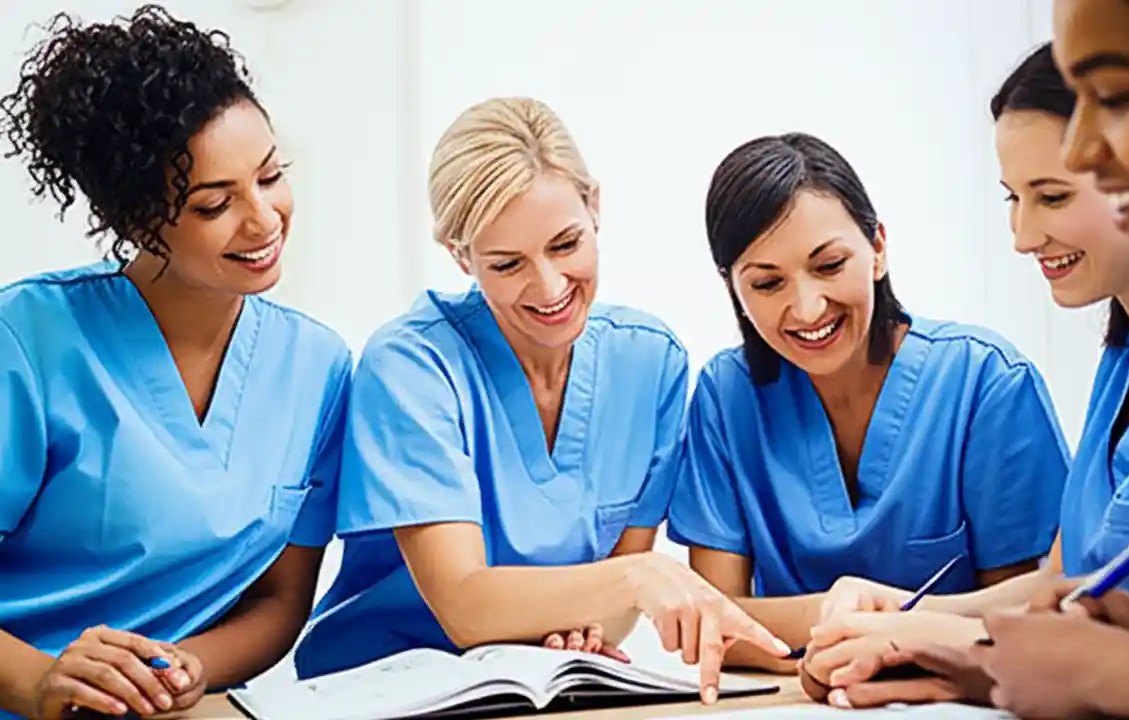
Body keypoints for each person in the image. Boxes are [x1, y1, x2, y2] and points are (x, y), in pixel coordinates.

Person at [816, 1, 1129, 716]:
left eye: (1052, 195)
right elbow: (1066, 583)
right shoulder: (1126, 348)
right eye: (1013, 198)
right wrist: (921, 618)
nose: (1023, 235)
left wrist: (975, 648)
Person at [292, 97, 788, 703]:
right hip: (385, 691)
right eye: (507, 264)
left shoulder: (649, 362)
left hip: (548, 688)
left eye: (565, 244)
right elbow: (466, 606)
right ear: (459, 254)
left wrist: (579, 626)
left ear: (595, 207)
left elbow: (613, 618)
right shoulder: (410, 367)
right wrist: (638, 576)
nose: (550, 287)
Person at [0, 6, 351, 720]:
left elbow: (280, 600)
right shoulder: (30, 341)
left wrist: (185, 670)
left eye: (272, 175)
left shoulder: (318, 368)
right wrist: (38, 683)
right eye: (214, 203)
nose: (263, 220)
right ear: (137, 220)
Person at [665, 131, 1071, 674]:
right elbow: (714, 624)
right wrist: (841, 611)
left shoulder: (985, 383)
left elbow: (1026, 610)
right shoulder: (726, 396)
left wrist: (875, 633)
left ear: (877, 247)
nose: (807, 308)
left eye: (829, 266)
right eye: (767, 283)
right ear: (733, 287)